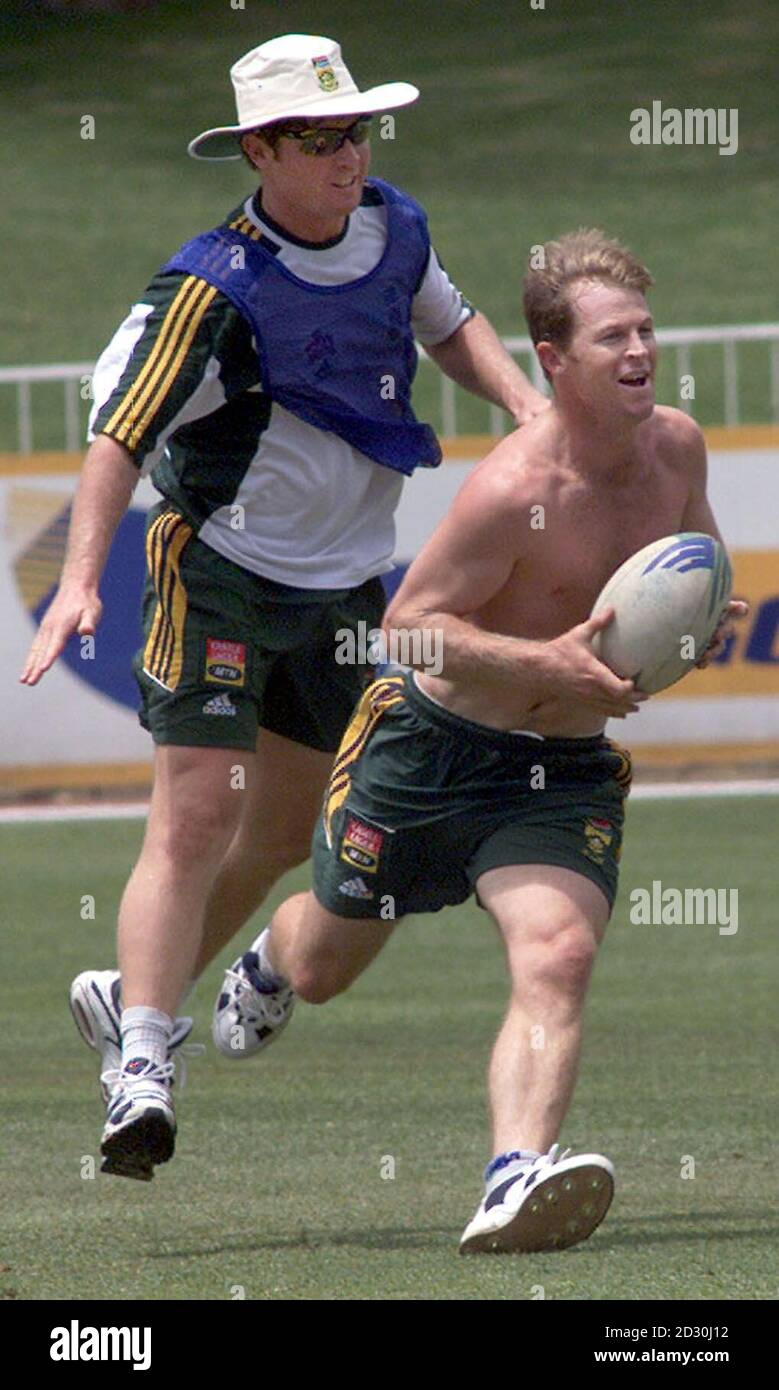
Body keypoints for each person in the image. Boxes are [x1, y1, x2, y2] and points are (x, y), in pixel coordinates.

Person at [20, 34, 546, 1180]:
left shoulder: (396, 228)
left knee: (282, 833)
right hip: (214, 566)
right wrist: (71, 584)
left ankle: (146, 990)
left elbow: (447, 323)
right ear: (259, 151)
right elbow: (119, 436)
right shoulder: (213, 286)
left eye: (354, 131)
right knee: (199, 814)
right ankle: (144, 1065)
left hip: (347, 586)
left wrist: (524, 406)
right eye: (317, 139)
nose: (346, 156)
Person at [219, 229, 746, 1253]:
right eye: (610, 338)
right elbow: (406, 628)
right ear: (552, 360)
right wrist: (543, 663)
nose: (638, 350)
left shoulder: (676, 445)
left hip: (558, 776)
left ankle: (513, 1175)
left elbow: (700, 568)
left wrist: (691, 625)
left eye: (643, 329)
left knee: (559, 950)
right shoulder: (514, 491)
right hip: (428, 748)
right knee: (326, 962)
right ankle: (274, 958)